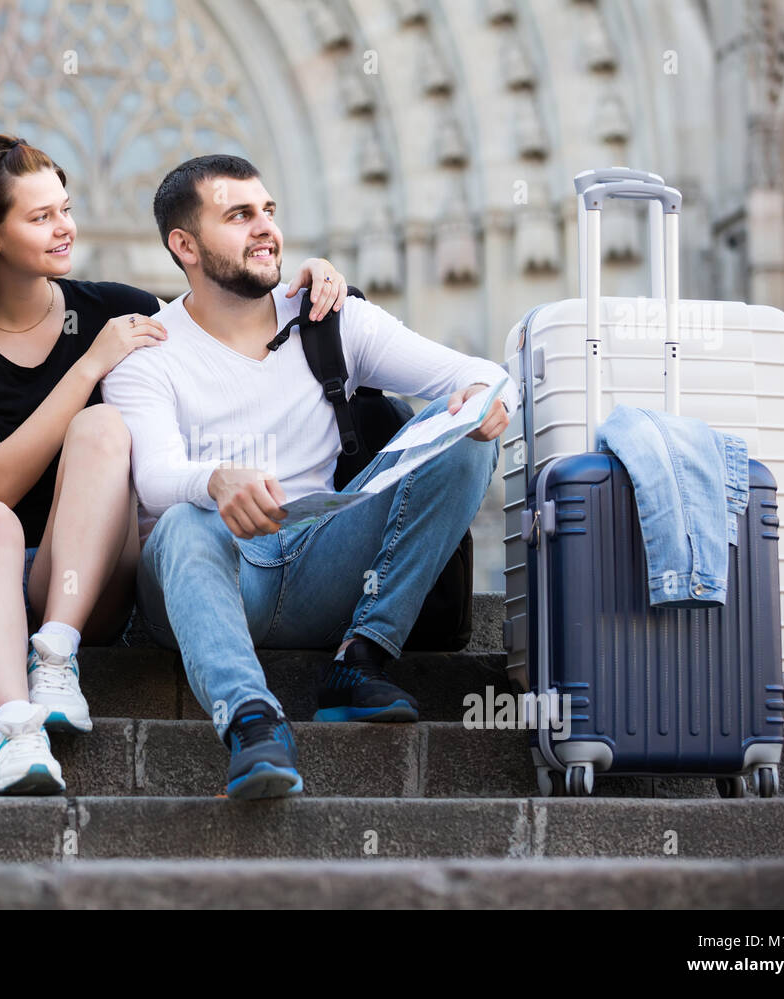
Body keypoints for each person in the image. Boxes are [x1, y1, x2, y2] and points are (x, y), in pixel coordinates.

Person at [0, 135, 348, 796]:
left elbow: (219, 310)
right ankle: (15, 733)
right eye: (40, 216)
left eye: (66, 208)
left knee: (105, 426)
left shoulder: (111, 306)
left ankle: (55, 658)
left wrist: (301, 278)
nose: (64, 227)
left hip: (73, 581)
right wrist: (90, 363)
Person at [100, 155, 516, 800]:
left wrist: (487, 401)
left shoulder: (332, 319)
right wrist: (215, 481)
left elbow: (480, 372)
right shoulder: (149, 351)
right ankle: (252, 723)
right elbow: (154, 477)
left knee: (457, 432)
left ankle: (362, 660)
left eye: (268, 211)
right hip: (217, 575)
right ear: (183, 244)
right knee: (181, 523)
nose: (265, 227)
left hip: (326, 560)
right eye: (238, 215)